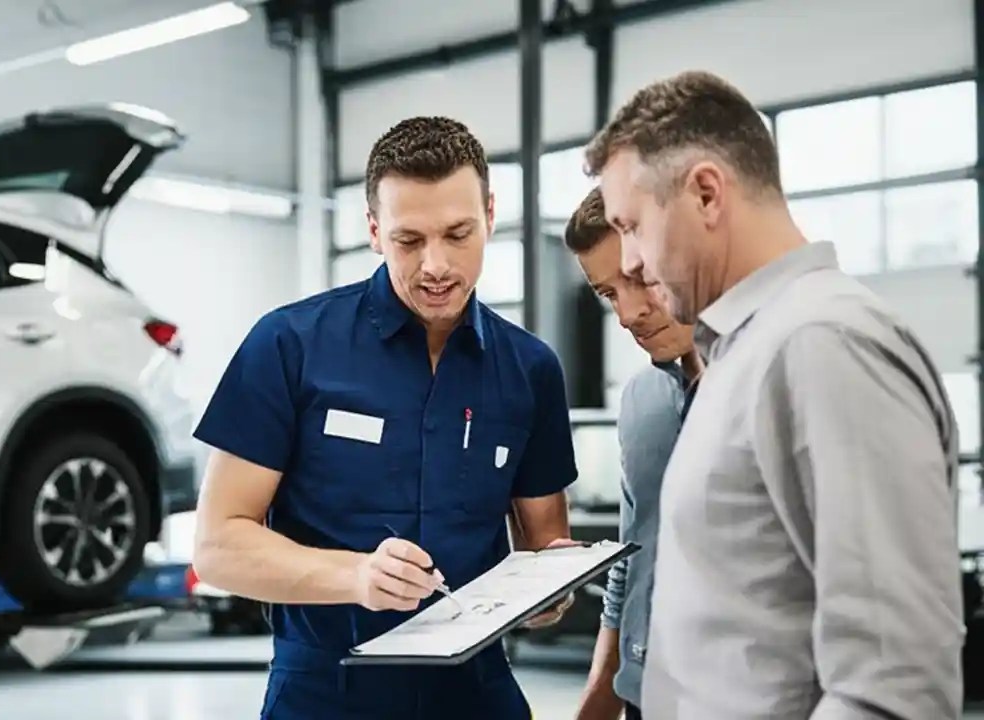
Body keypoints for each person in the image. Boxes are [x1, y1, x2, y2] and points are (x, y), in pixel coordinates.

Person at [585, 69, 965, 719]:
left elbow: (892, 686)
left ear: (706, 194)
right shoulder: (746, 352)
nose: (630, 264)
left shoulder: (823, 345)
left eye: (633, 226)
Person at [191, 116, 581, 720]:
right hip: (326, 690)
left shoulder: (531, 369)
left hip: (477, 692)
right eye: (408, 240)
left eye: (458, 234)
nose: (436, 266)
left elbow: (543, 546)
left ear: (490, 214)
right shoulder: (288, 346)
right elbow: (217, 546)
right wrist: (354, 577)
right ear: (374, 230)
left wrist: (549, 594)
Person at [562, 187, 702, 720]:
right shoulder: (642, 399)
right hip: (646, 696)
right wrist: (605, 688)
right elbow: (634, 552)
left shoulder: (770, 384)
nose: (628, 314)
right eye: (609, 294)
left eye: (640, 279)